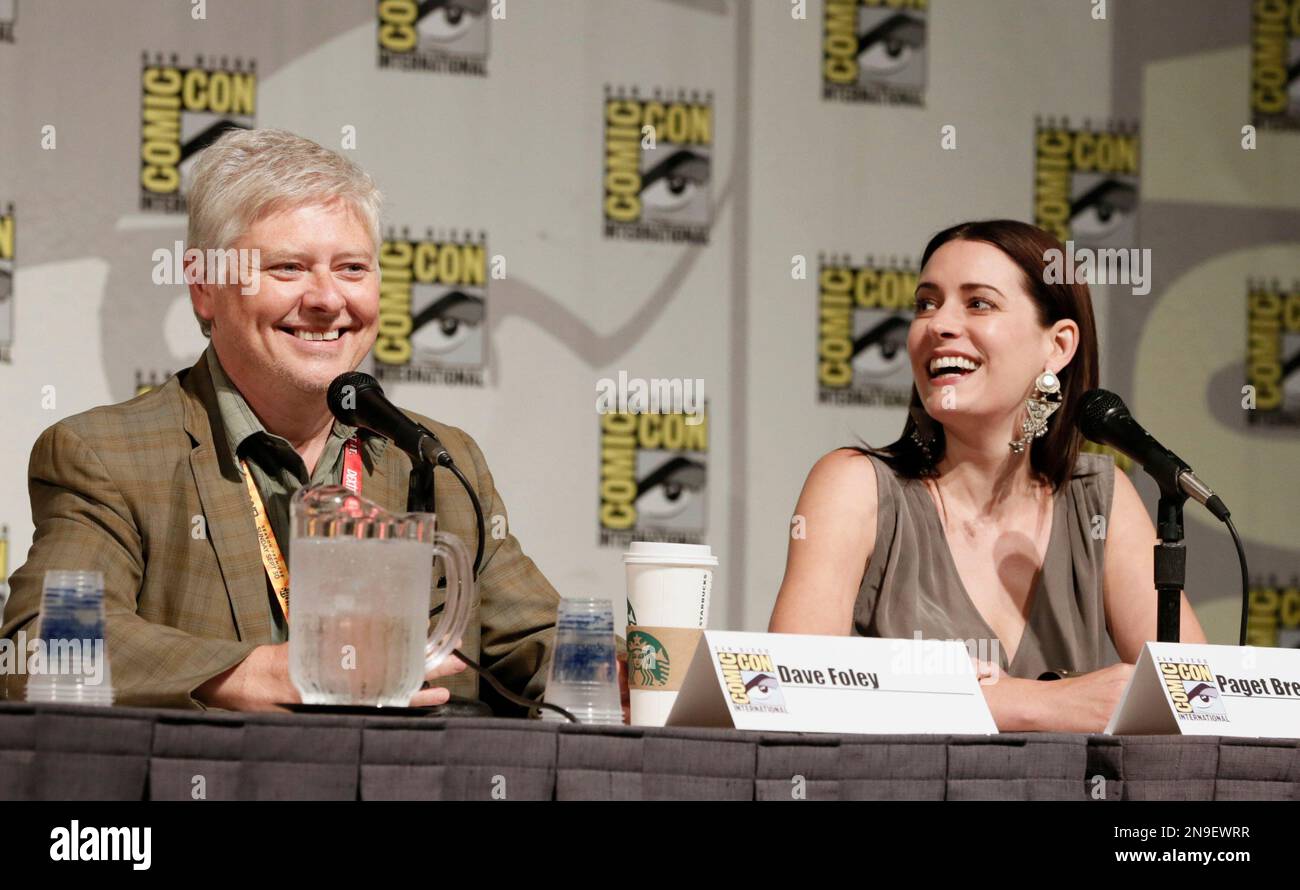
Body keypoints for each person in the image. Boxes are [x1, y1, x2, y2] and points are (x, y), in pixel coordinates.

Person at [0, 128, 562, 715]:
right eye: (288, 267)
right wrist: (253, 675)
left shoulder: (436, 457)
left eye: (351, 268)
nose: (326, 299)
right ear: (203, 287)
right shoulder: (106, 455)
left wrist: (644, 672)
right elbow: (41, 648)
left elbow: (541, 648)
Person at [769, 219, 1207, 733]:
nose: (938, 325)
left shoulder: (1100, 498)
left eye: (978, 304)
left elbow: (1197, 699)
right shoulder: (854, 485)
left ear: (1058, 346)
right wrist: (1031, 703)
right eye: (926, 304)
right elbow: (791, 686)